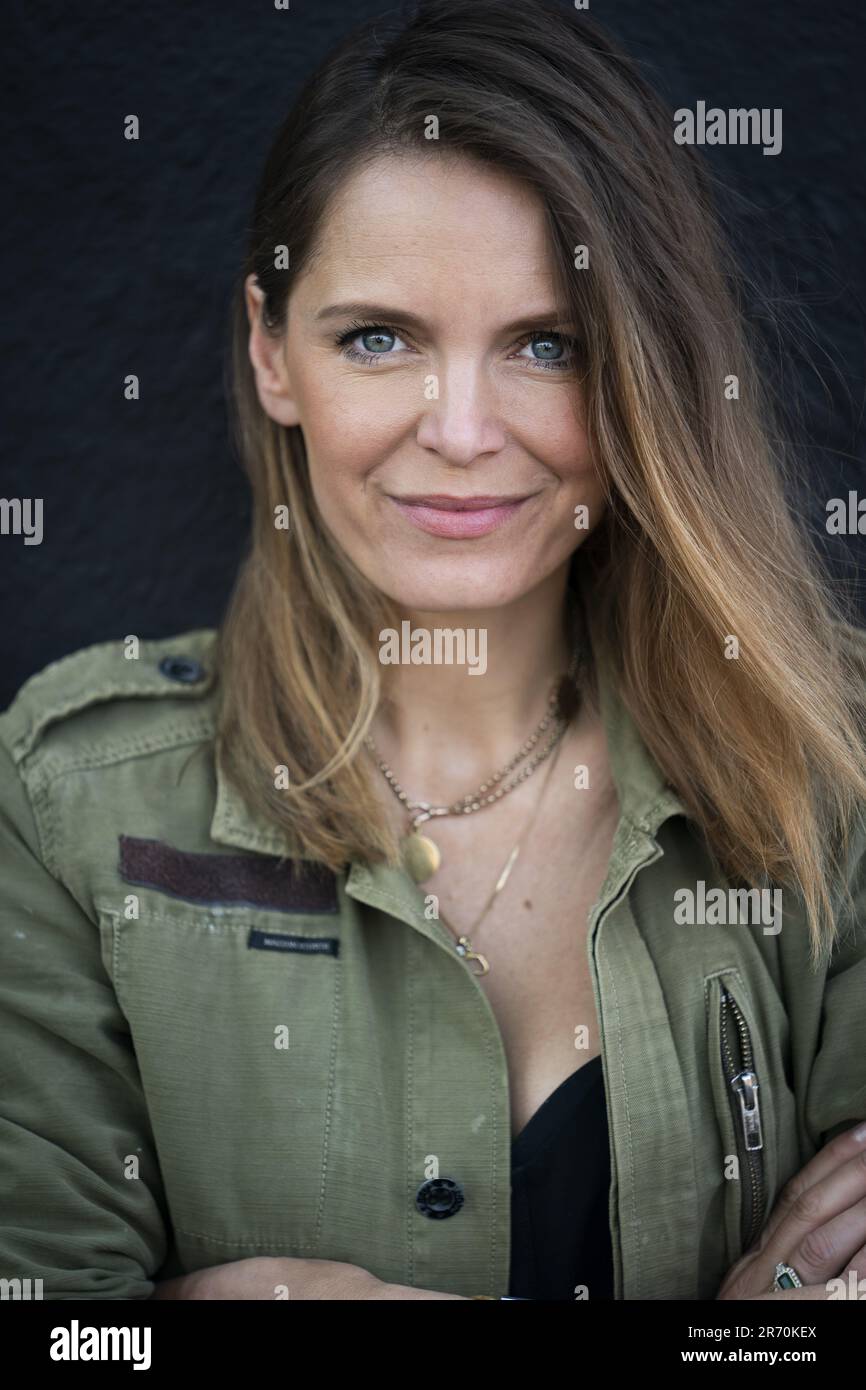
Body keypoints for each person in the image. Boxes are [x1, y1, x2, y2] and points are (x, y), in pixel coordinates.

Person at [2, 0, 865, 1303]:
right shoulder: (73, 801)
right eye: (378, 338)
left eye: (544, 344)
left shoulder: (830, 774)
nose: (458, 430)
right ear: (270, 350)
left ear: (643, 364)